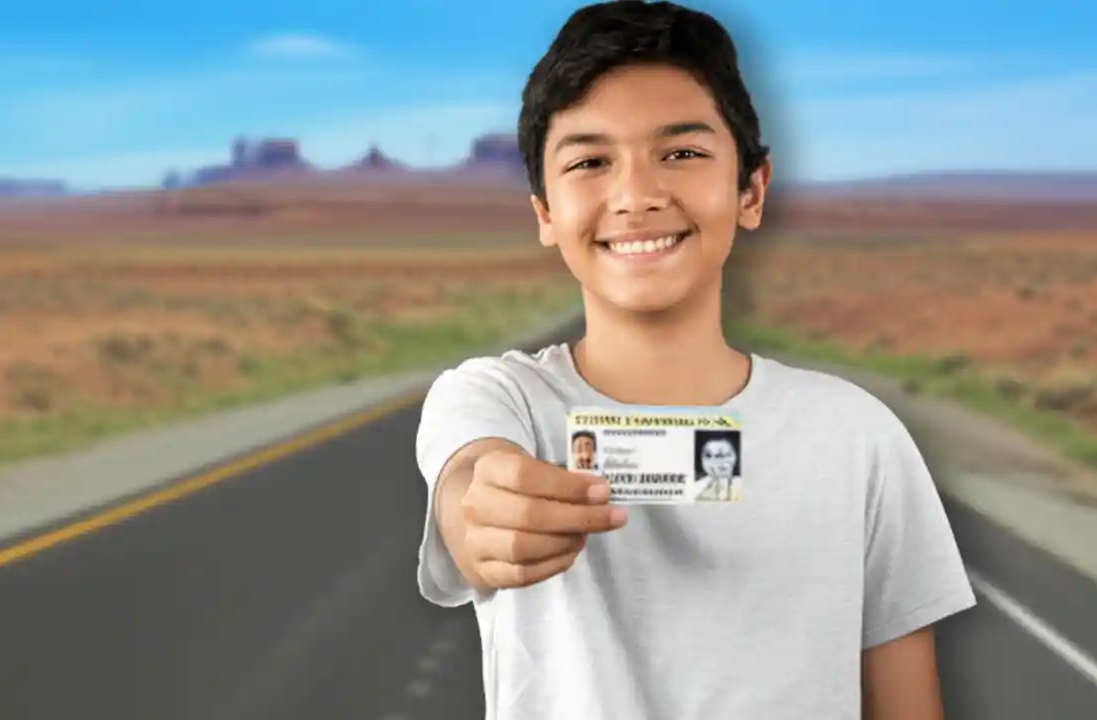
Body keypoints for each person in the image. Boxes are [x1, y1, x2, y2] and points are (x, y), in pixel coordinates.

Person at [413, 2, 976, 717]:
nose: (638, 195)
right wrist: (485, 514)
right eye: (590, 161)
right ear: (545, 214)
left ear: (752, 190)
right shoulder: (500, 400)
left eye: (680, 153)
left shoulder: (859, 437)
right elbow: (472, 481)